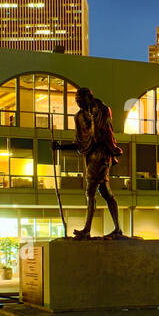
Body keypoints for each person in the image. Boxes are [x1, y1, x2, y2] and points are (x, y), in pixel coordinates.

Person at [53, 87, 128, 239]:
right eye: (77, 101)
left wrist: (113, 149)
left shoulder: (103, 110)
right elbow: (80, 143)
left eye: (81, 100)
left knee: (90, 191)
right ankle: (117, 228)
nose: (79, 103)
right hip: (91, 156)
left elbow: (106, 132)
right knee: (106, 193)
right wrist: (61, 147)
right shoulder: (79, 117)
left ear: (89, 97)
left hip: (101, 154)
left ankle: (87, 229)